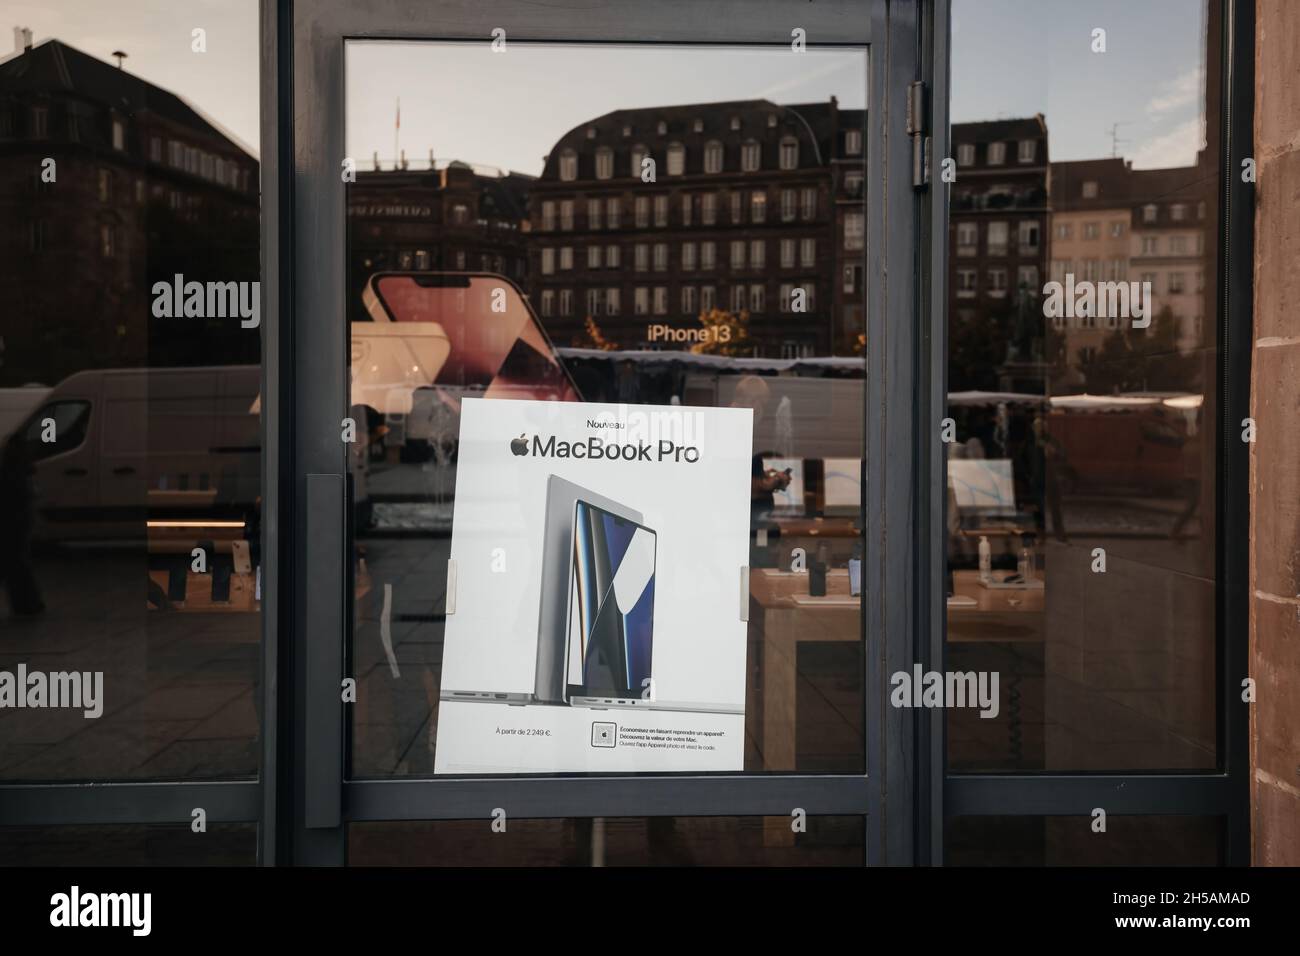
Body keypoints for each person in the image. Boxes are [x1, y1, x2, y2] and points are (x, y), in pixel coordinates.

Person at [0, 429, 46, 616]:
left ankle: (27, 604)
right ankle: (28, 603)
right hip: (21, 522)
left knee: (14, 563)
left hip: (10, 522)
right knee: (17, 563)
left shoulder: (9, 469)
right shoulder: (24, 468)